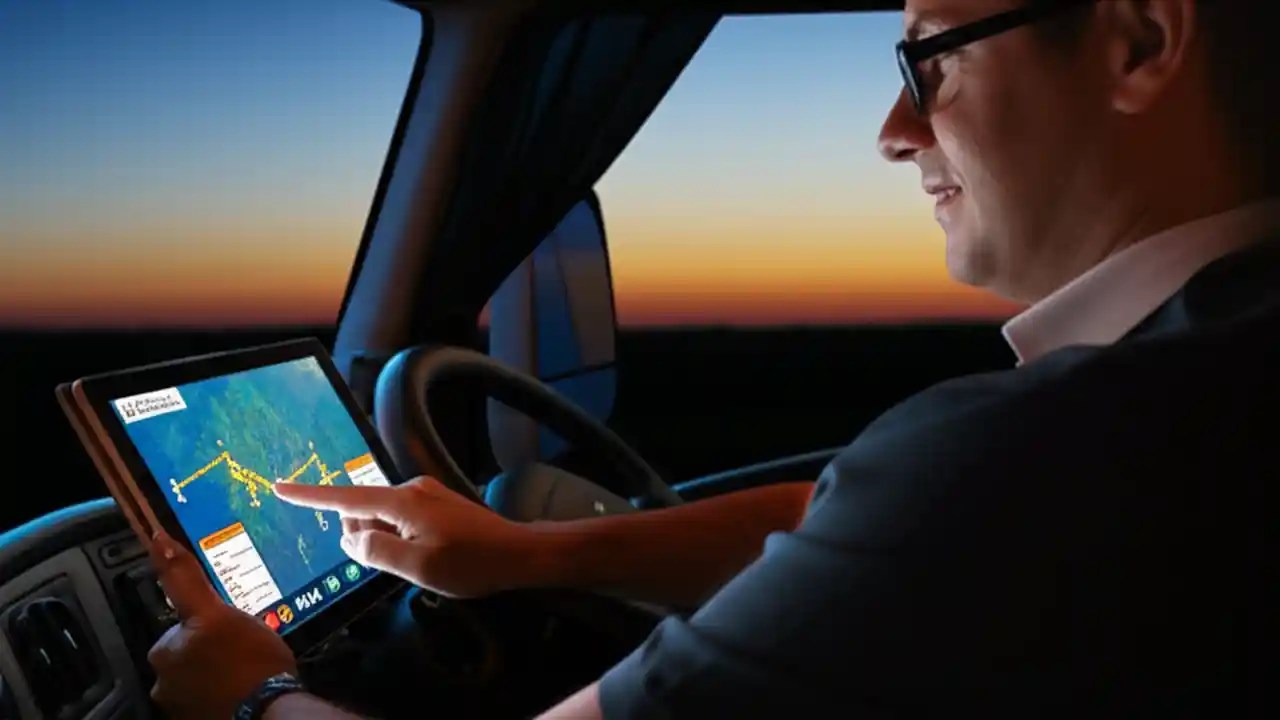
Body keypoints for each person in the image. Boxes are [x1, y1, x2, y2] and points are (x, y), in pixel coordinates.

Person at [145, 0, 1273, 717]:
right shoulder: (1188, 392)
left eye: (925, 58)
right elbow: (833, 526)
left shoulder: (1046, 456)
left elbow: (928, 518)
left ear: (1138, 40)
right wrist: (524, 556)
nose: (892, 128)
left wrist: (253, 695)